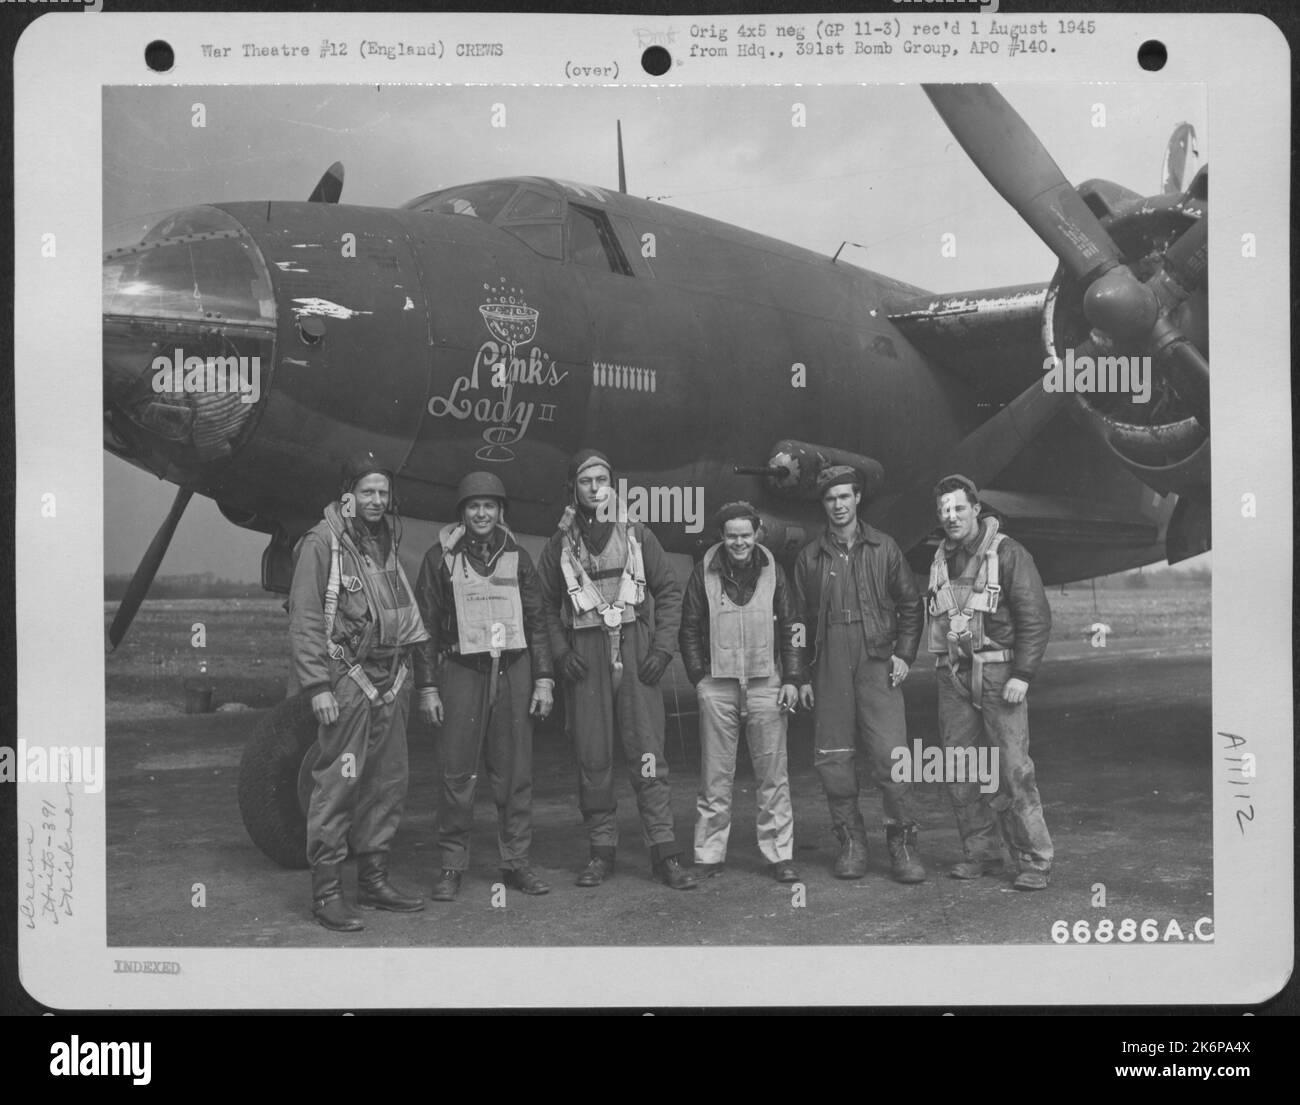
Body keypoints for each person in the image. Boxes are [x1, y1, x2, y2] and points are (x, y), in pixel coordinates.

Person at [536, 449, 697, 890]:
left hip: (635, 650)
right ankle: (601, 851)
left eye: (602, 480)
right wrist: (560, 651)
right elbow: (544, 605)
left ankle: (664, 852)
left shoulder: (636, 533)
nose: (595, 488)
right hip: (585, 659)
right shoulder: (559, 544)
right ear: (573, 488)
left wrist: (662, 650)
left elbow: (669, 591)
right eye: (586, 481)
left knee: (647, 755)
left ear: (613, 485)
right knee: (594, 758)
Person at [288, 450, 430, 931]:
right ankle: (327, 893)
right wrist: (316, 685)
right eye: (367, 491)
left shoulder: (384, 539)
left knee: (388, 780)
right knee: (339, 783)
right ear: (347, 495)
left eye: (383, 492)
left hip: (391, 677)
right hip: (347, 678)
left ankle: (374, 880)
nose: (376, 500)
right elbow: (306, 617)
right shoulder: (321, 543)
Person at [413, 472, 555, 901]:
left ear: (501, 511)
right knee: (457, 774)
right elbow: (425, 628)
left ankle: (516, 862)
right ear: (462, 512)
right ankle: (452, 865)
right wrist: (428, 687)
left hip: (512, 669)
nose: (481, 513)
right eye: (473, 506)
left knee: (514, 774)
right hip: (462, 669)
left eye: (489, 506)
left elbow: (537, 622)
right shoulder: (439, 559)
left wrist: (544, 680)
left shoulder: (519, 557)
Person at [793, 465, 927, 884]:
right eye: (830, 499)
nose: (838, 505)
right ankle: (851, 842)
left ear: (857, 499)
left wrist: (904, 654)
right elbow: (796, 621)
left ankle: (902, 844)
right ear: (824, 504)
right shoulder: (810, 557)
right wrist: (799, 675)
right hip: (829, 660)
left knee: (892, 757)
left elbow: (911, 604)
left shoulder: (884, 547)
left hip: (876, 658)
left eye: (844, 496)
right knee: (834, 758)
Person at [926, 474, 1054, 890]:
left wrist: (1023, 674)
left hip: (1000, 674)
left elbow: (1035, 617)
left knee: (1015, 769)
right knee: (960, 768)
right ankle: (979, 853)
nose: (951, 516)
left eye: (959, 508)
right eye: (945, 510)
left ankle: (1034, 860)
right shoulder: (941, 558)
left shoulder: (1009, 553)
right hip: (953, 674)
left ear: (976, 509)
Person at [679, 502, 803, 882]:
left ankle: (780, 855)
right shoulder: (703, 572)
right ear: (721, 536)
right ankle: (709, 856)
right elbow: (688, 627)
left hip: (766, 683)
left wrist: (792, 677)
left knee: (773, 775)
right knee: (714, 776)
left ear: (757, 533)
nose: (739, 542)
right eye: (731, 536)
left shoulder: (774, 570)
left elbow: (793, 625)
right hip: (718, 684)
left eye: (745, 535)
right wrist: (699, 679)